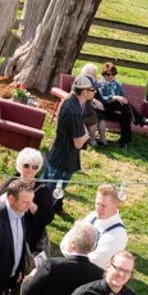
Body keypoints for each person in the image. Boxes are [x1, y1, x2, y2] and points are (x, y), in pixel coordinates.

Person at [41, 74, 95, 214]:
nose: (95, 92)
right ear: (84, 91)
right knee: (50, 194)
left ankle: (53, 208)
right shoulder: (75, 111)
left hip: (55, 154)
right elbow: (78, 143)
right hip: (63, 160)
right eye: (92, 89)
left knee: (42, 186)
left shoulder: (69, 100)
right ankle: (39, 216)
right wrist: (87, 135)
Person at [95, 63, 140, 147]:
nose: (110, 76)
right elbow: (102, 99)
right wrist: (114, 97)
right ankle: (139, 119)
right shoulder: (100, 84)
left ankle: (124, 142)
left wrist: (119, 107)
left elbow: (123, 98)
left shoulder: (118, 84)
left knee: (126, 115)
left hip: (117, 111)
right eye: (108, 74)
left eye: (113, 74)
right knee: (118, 103)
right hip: (104, 110)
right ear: (104, 74)